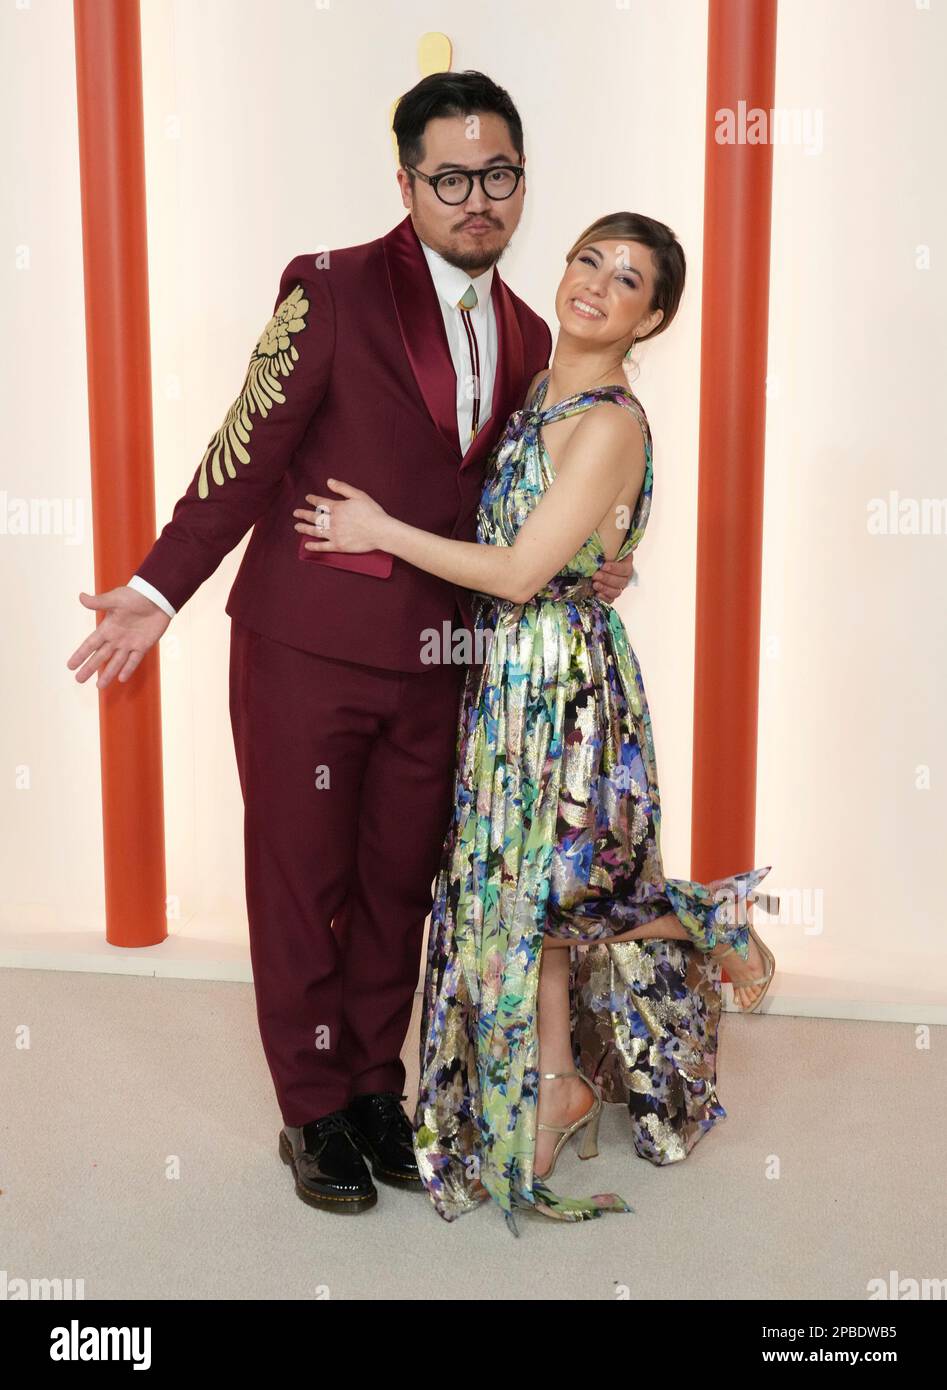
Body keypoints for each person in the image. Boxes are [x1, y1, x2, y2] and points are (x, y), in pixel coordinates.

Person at [65, 71, 636, 1215]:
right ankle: (311, 1106)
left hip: (444, 664)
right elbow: (245, 450)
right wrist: (154, 587)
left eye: (500, 176)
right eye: (452, 178)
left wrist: (592, 564)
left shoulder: (528, 333)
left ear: (523, 179)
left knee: (397, 887)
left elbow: (532, 495)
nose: (479, 200)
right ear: (407, 182)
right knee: (300, 882)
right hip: (305, 649)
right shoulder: (326, 289)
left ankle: (377, 1086)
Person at [292, 210, 778, 1232]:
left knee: (556, 890)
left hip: (560, 682)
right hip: (498, 678)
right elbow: (541, 538)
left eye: (629, 280)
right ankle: (556, 1080)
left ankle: (703, 919)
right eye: (588, 259)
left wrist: (378, 529)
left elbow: (516, 573)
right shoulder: (534, 390)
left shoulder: (607, 421)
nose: (598, 284)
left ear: (653, 319)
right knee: (521, 900)